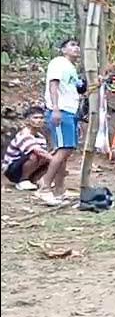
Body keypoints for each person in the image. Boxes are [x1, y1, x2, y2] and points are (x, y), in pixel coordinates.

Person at [36, 38, 83, 206]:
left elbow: (79, 87)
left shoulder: (71, 68)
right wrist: (55, 108)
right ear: (63, 50)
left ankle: (59, 190)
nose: (76, 47)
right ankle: (45, 186)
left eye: (77, 45)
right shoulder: (58, 63)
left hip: (70, 110)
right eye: (71, 45)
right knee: (63, 149)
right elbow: (53, 85)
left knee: (67, 150)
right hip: (61, 111)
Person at [3, 107, 52, 190]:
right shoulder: (24, 135)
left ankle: (35, 179)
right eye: (35, 118)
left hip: (26, 165)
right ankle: (23, 180)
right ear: (27, 120)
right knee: (36, 155)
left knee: (46, 158)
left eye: (41, 118)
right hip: (12, 169)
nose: (39, 120)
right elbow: (37, 151)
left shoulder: (41, 137)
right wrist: (55, 161)